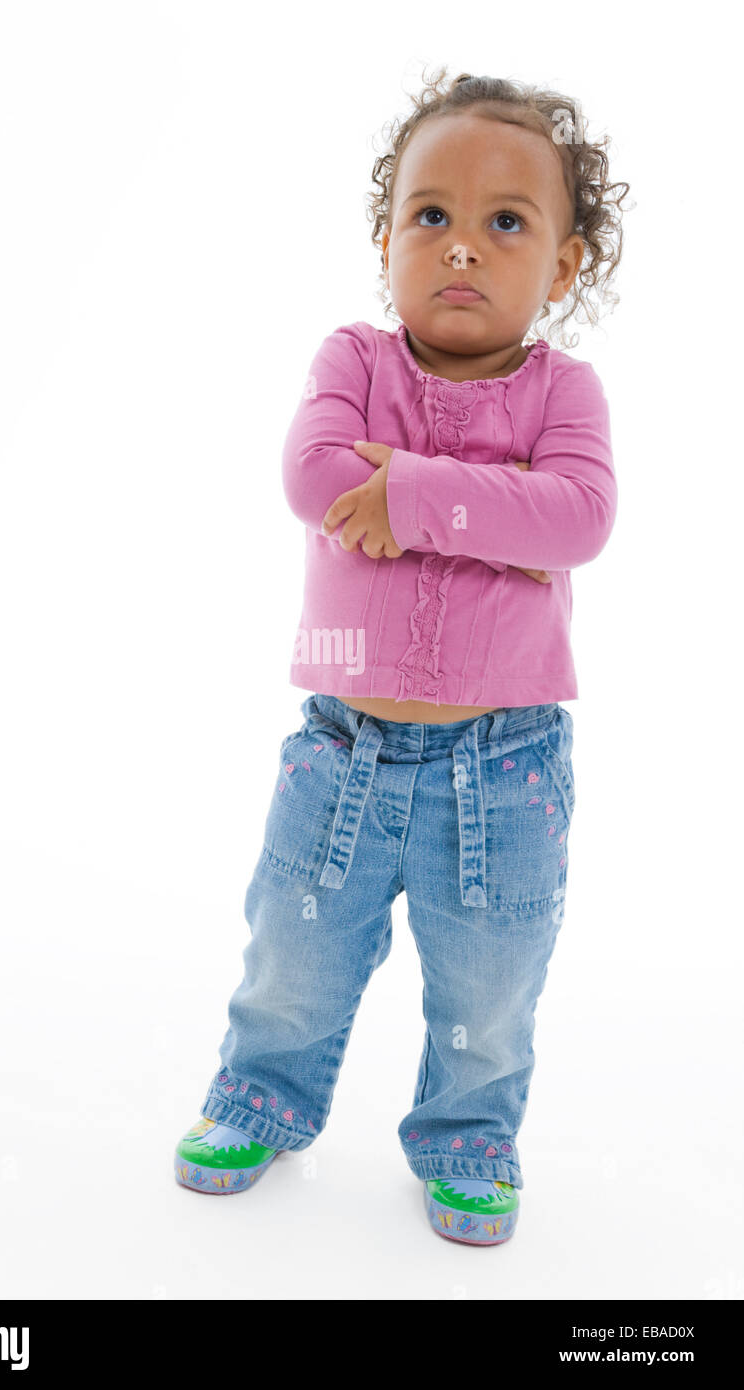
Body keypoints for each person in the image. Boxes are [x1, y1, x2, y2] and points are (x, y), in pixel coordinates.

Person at [174, 69, 628, 1245]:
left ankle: (469, 1132)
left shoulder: (564, 392)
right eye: (429, 216)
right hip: (340, 744)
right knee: (294, 944)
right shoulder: (352, 361)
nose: (461, 249)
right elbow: (312, 477)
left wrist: (411, 489)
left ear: (564, 266)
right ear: (384, 238)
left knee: (490, 974)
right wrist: (492, 506)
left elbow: (575, 516)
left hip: (507, 763)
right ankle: (258, 1095)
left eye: (504, 223)